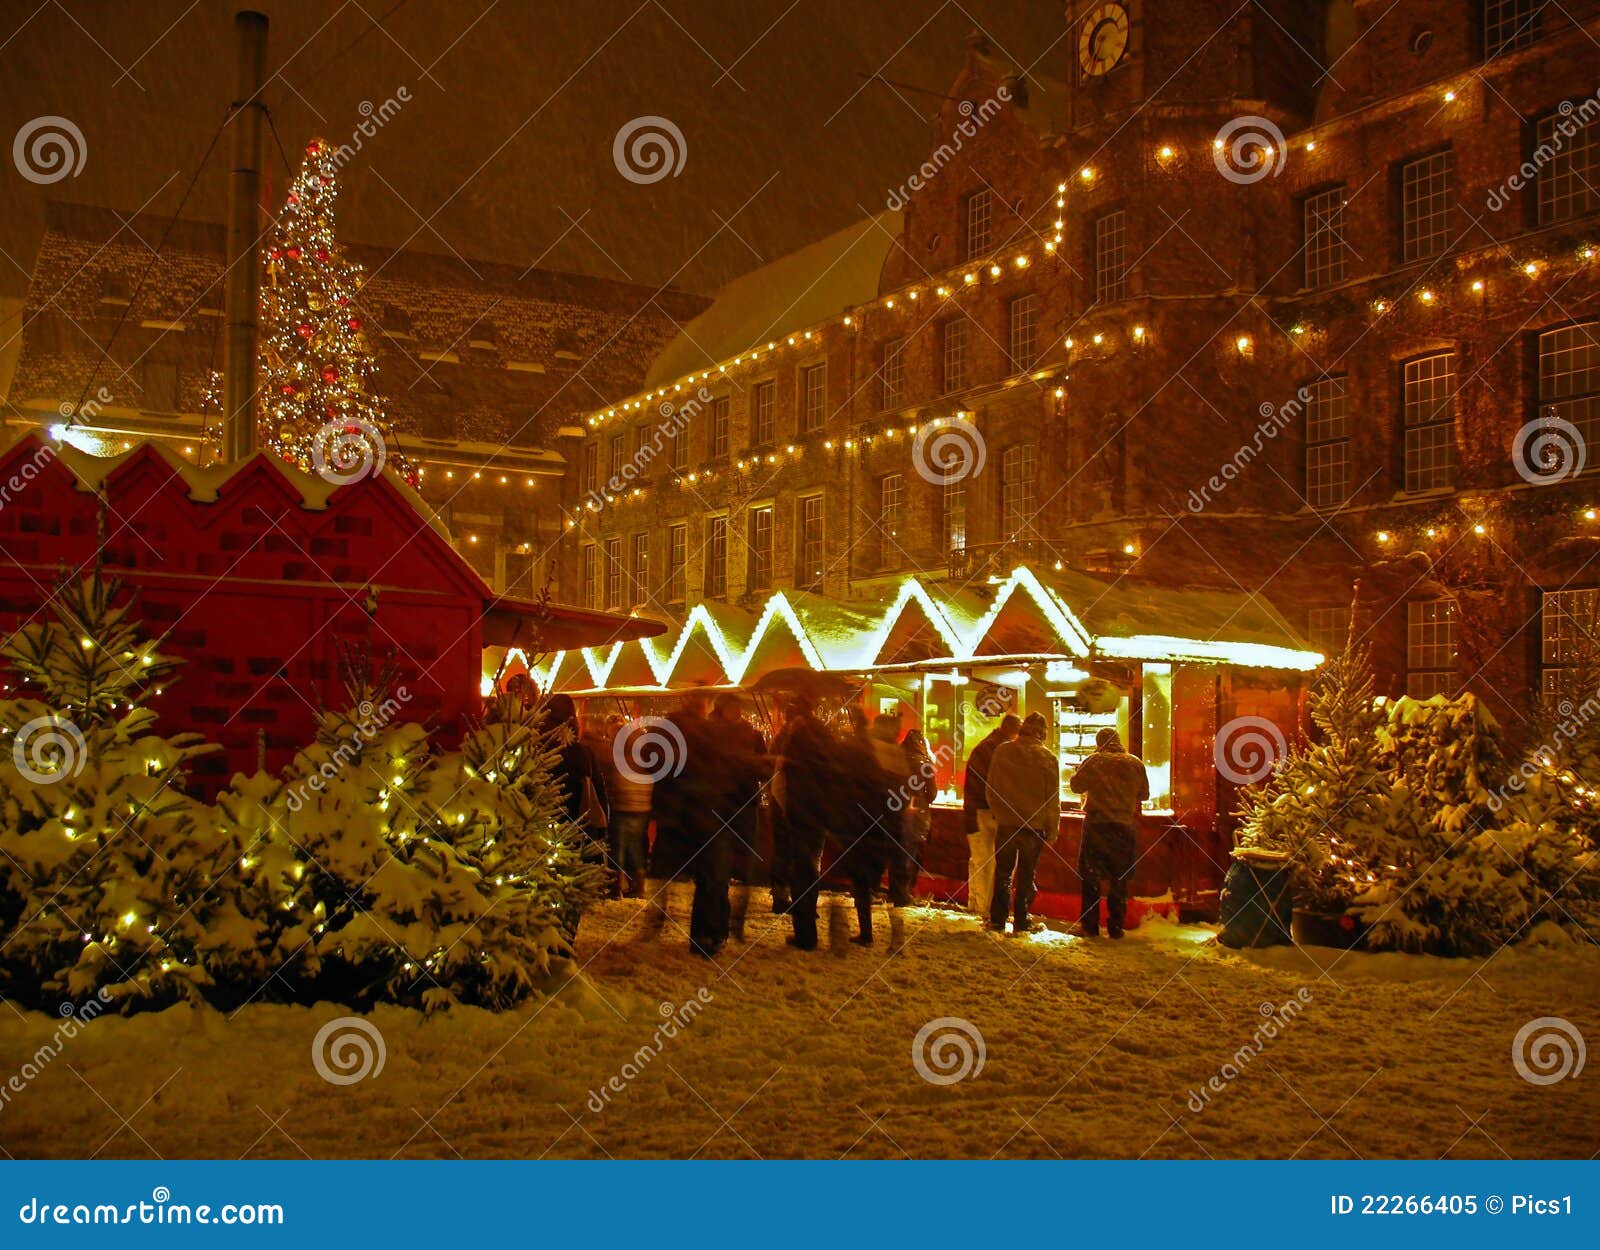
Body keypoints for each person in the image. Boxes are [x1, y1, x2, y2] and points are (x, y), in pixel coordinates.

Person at [640, 692, 729, 957]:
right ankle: (705, 936)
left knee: (662, 870)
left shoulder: (667, 728)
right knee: (709, 875)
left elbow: (647, 756)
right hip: (701, 812)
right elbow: (723, 768)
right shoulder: (708, 733)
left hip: (673, 811)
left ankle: (655, 919)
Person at [1070, 726, 1149, 939]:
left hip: (1097, 825)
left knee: (1091, 877)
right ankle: (1116, 926)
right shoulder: (1135, 763)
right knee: (1119, 878)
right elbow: (1144, 794)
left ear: (1099, 743)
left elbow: (1076, 786)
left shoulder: (1094, 760)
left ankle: (1090, 926)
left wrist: (1078, 773)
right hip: (1124, 826)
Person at [985, 712, 1060, 935]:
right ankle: (1021, 920)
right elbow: (1052, 800)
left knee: (1003, 873)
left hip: (1007, 824)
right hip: (1033, 826)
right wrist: (1052, 829)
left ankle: (997, 920)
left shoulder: (1003, 751)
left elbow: (990, 787)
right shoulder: (1048, 758)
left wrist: (999, 813)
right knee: (1027, 875)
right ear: (1043, 733)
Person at [540, 693, 609, 936]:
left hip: (542, 830)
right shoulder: (583, 753)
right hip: (577, 829)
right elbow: (599, 794)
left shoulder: (537, 750)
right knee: (570, 889)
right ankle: (567, 936)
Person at [772, 694, 835, 950]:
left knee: (801, 869)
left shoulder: (795, 737)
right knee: (811, 865)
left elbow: (780, 777)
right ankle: (808, 917)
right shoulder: (825, 734)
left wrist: (786, 809)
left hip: (799, 809)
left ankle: (805, 932)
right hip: (820, 810)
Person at [711, 692, 770, 941]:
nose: (736, 712)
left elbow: (765, 768)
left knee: (744, 866)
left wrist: (754, 765)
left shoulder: (752, 735)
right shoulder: (712, 734)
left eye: (738, 708)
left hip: (744, 803)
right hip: (722, 805)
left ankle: (736, 921)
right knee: (720, 866)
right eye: (731, 708)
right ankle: (721, 921)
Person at [962, 714, 1020, 919]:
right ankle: (984, 908)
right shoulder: (1003, 750)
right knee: (991, 863)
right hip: (990, 812)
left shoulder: (985, 747)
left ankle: (979, 906)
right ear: (1014, 732)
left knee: (981, 861)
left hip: (979, 810)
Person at [605, 720, 654, 899]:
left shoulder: (621, 761)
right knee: (636, 847)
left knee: (618, 847)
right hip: (641, 809)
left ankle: (616, 886)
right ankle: (639, 884)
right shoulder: (645, 762)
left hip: (623, 807)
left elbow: (615, 784)